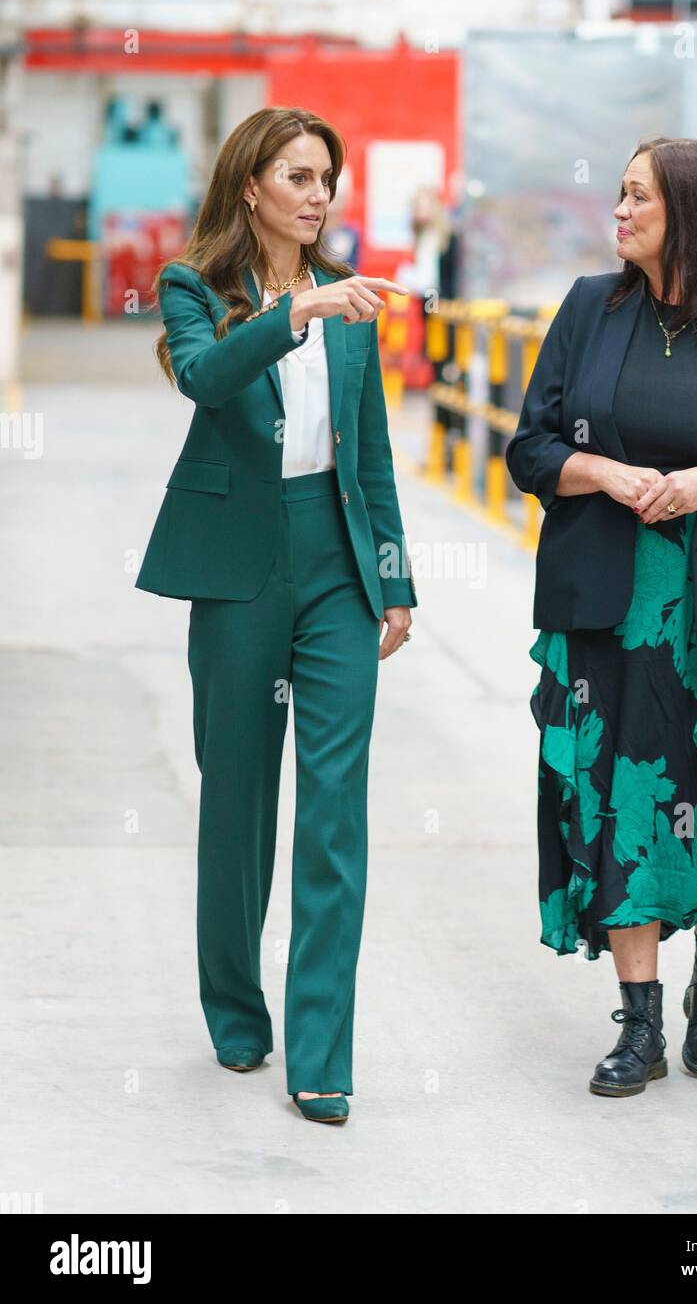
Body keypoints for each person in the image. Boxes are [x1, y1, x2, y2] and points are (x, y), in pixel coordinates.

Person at [505, 136, 697, 1097]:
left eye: (637, 195)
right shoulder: (590, 310)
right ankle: (637, 1021)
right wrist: (602, 472)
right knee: (619, 800)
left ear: (690, 209)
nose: (620, 209)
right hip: (605, 605)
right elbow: (531, 447)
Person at [136, 106, 417, 1124]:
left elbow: (370, 448)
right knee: (240, 800)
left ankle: (322, 1053)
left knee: (335, 807)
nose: (317, 194)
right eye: (298, 175)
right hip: (240, 568)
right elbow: (206, 377)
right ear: (250, 184)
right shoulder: (192, 287)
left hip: (336, 565)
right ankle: (234, 1009)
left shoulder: (348, 300)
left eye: (325, 178)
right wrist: (296, 312)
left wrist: (394, 575)